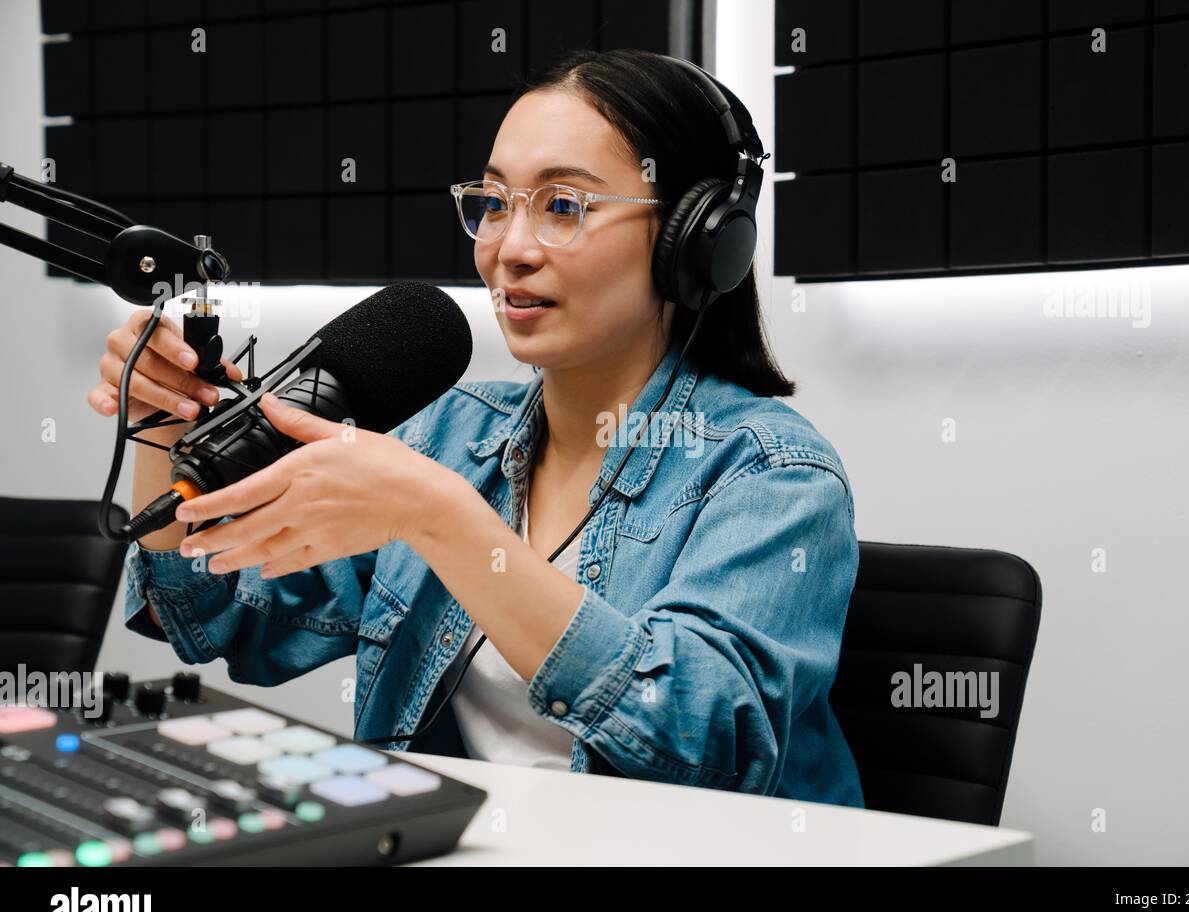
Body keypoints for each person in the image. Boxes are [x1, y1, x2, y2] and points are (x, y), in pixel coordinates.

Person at [87, 49, 865, 808]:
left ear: (694, 239)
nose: (509, 250)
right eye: (494, 202)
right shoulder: (449, 434)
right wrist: (166, 427)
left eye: (564, 206)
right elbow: (216, 616)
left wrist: (443, 522)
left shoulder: (773, 475)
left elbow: (697, 748)